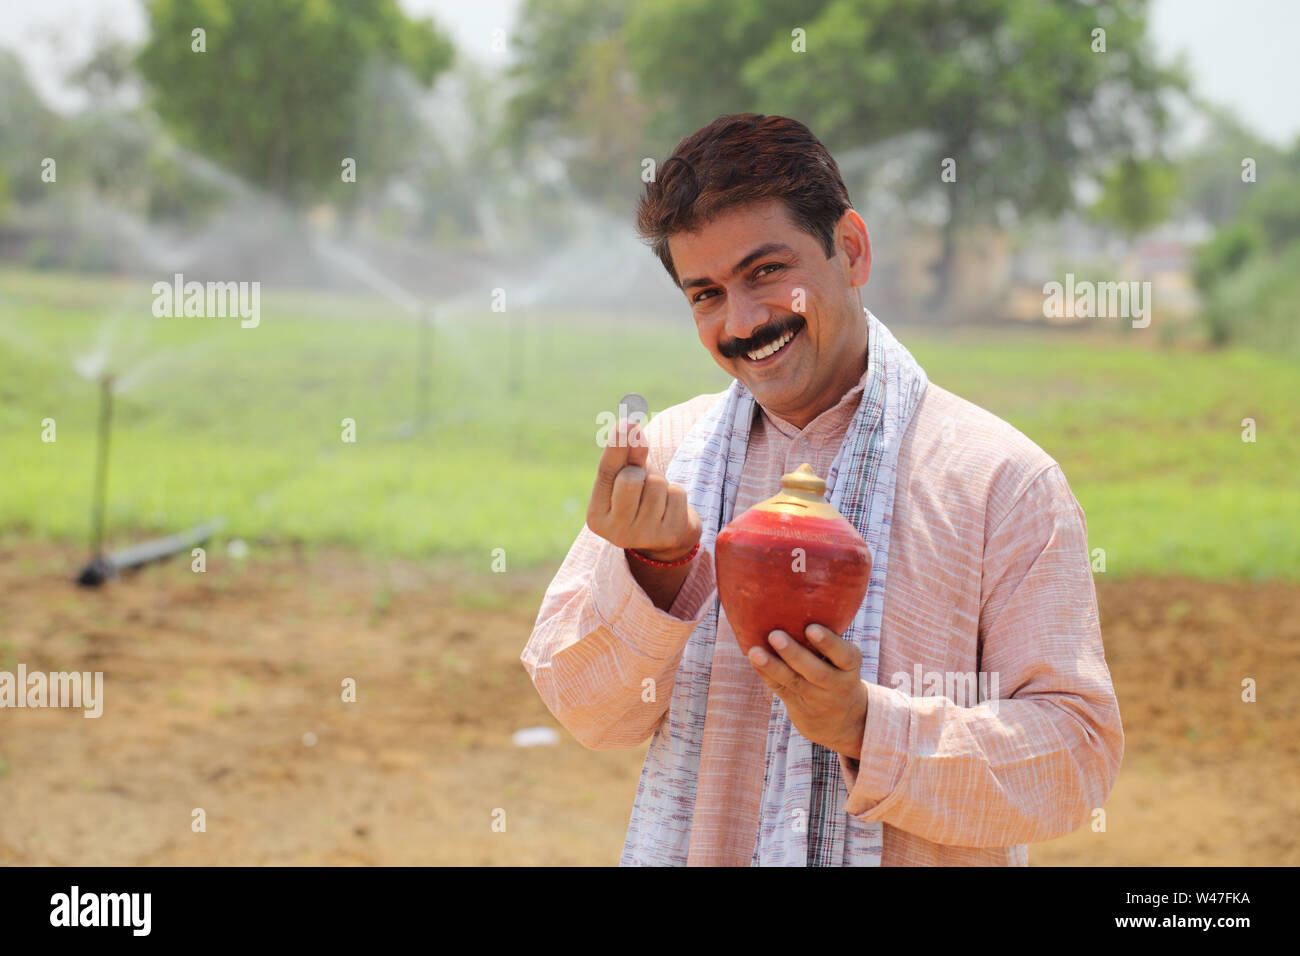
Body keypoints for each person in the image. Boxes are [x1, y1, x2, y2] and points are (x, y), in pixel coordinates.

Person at [521, 113, 1123, 866]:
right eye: (705, 294)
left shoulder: (999, 481)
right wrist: (657, 569)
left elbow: (1076, 757)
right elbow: (587, 713)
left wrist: (868, 726)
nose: (743, 321)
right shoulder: (671, 458)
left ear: (852, 249)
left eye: (767, 272)